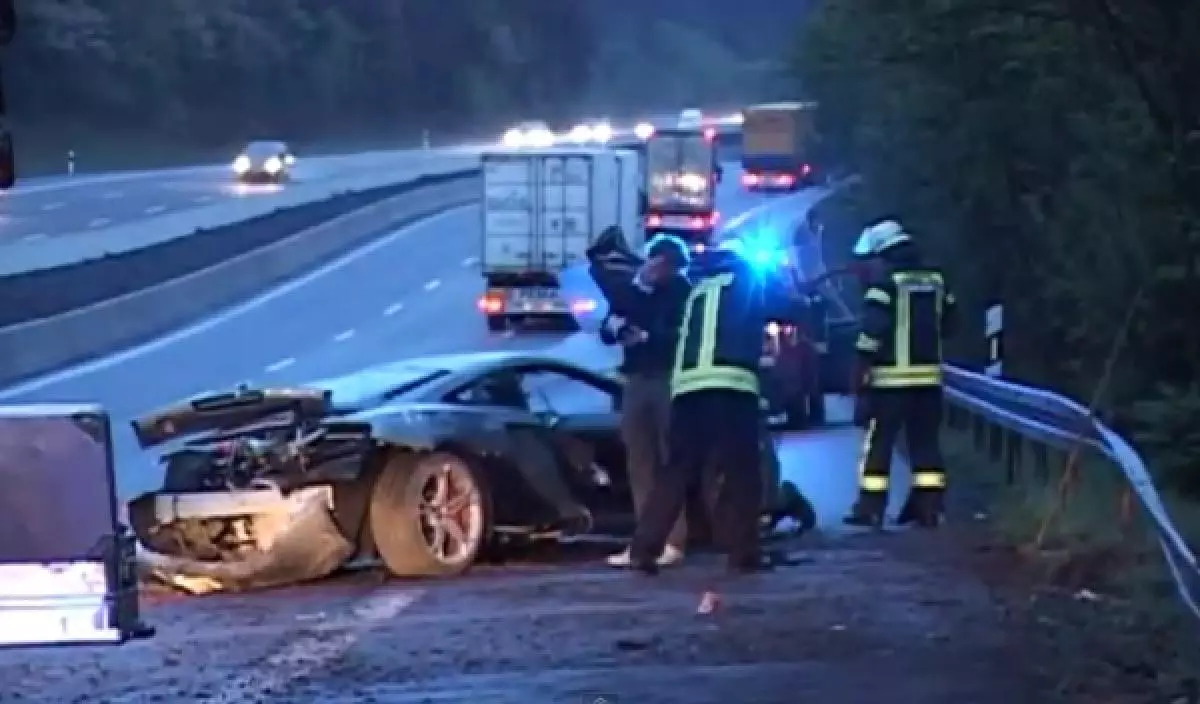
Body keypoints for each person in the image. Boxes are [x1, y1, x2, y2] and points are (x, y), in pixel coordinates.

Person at [628, 237, 779, 576]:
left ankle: (644, 547)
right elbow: (788, 307)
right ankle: (743, 552)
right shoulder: (747, 282)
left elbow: (668, 331)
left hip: (687, 390)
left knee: (677, 471)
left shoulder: (696, 288)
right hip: (732, 387)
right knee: (742, 472)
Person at [844, 219, 958, 529]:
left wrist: (860, 367)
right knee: (925, 444)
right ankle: (929, 507)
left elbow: (872, 332)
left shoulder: (884, 286)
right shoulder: (937, 281)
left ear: (883, 252)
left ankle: (871, 507)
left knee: (879, 445)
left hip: (890, 384)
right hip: (929, 382)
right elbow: (950, 324)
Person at [602, 234, 693, 568]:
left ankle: (674, 539)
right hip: (635, 378)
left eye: (666, 266)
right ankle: (646, 539)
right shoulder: (633, 289)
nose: (660, 271)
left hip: (668, 377)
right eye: (656, 264)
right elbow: (609, 323)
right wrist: (618, 327)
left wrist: (649, 336)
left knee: (670, 460)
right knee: (639, 463)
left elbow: (681, 333)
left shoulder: (683, 292)